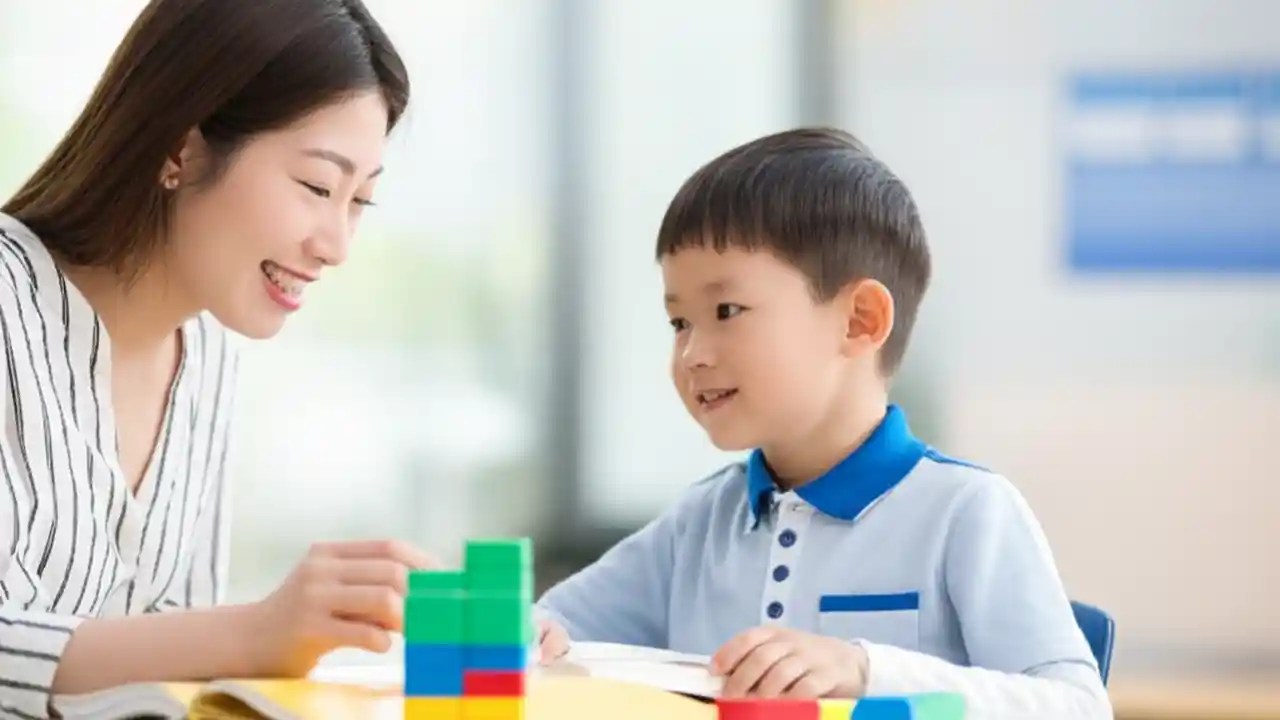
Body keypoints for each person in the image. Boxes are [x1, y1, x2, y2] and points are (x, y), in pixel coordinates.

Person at [535, 129, 1112, 718]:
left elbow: (1077, 708)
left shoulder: (966, 512)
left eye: (726, 311)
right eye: (679, 322)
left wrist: (864, 670)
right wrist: (513, 629)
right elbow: (548, 628)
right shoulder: (698, 525)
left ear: (860, 320)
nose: (693, 354)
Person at [0, 2, 436, 717]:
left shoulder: (206, 354)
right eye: (318, 187)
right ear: (183, 149)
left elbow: (172, 657)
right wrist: (255, 629)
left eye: (361, 201)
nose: (336, 244)